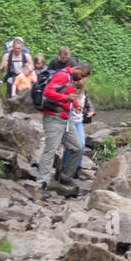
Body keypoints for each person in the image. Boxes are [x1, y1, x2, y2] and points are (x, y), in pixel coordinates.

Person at [36, 61, 90, 193]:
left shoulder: (71, 79)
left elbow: (70, 96)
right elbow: (48, 92)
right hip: (54, 117)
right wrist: (65, 97)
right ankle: (42, 183)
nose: (81, 79)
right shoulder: (62, 75)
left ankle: (65, 177)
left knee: (77, 147)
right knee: (51, 149)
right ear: (76, 68)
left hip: (66, 119)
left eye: (83, 77)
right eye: (81, 75)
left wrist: (76, 104)